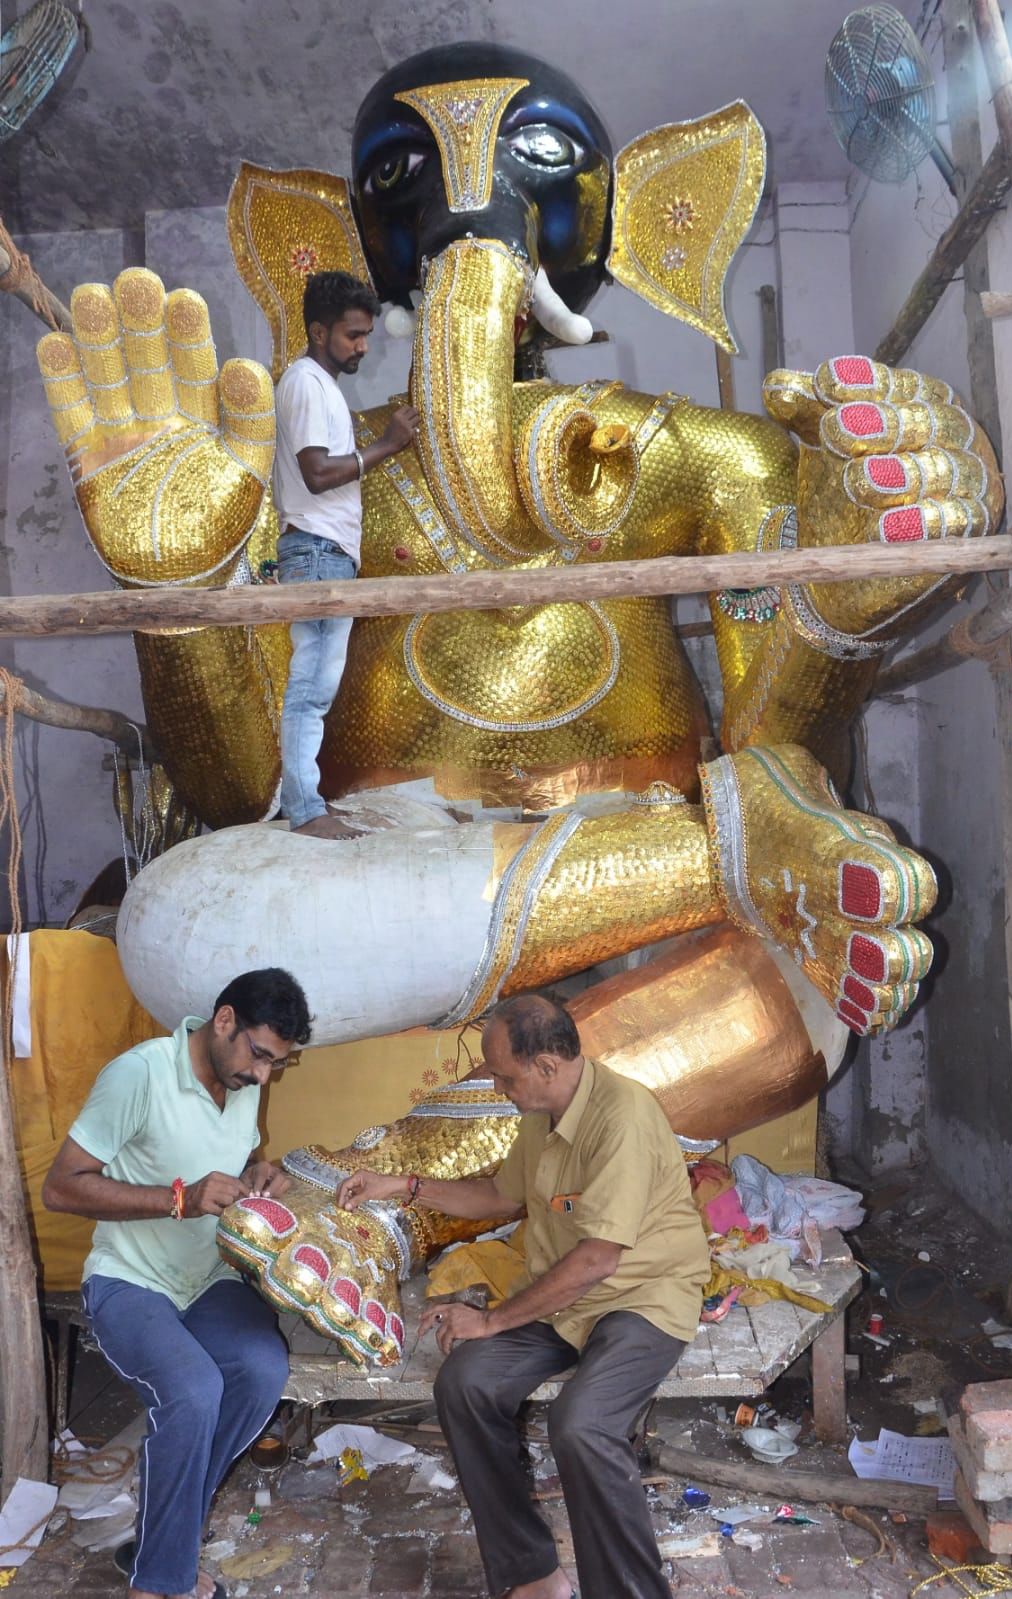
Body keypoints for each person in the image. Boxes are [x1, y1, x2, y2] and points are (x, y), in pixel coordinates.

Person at [336, 993, 710, 1599]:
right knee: (465, 1383)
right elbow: (498, 1199)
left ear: (546, 1067)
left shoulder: (623, 1116)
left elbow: (600, 1258)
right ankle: (532, 1576)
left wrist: (491, 1321)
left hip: (643, 1295)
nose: (496, 1084)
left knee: (583, 1425)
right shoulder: (541, 1113)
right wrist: (401, 1186)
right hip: (565, 1295)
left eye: (503, 1074)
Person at [42, 968, 313, 1599]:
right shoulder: (139, 1075)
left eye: (279, 1064)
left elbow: (229, 1160)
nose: (263, 1076)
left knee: (260, 1368)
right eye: (261, 1056)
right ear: (224, 1022)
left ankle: (167, 1524)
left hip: (206, 1278)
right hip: (129, 1281)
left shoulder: (241, 1082)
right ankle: (157, 1581)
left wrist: (259, 1173)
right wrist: (178, 1200)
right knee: (193, 1391)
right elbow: (62, 1186)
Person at [272, 269, 419, 839]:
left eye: (365, 336)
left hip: (323, 552)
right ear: (317, 331)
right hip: (314, 551)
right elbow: (315, 474)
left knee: (317, 687)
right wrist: (385, 445)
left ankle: (307, 804)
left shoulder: (321, 384)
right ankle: (304, 810)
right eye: (353, 336)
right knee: (310, 689)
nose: (362, 346)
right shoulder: (306, 383)